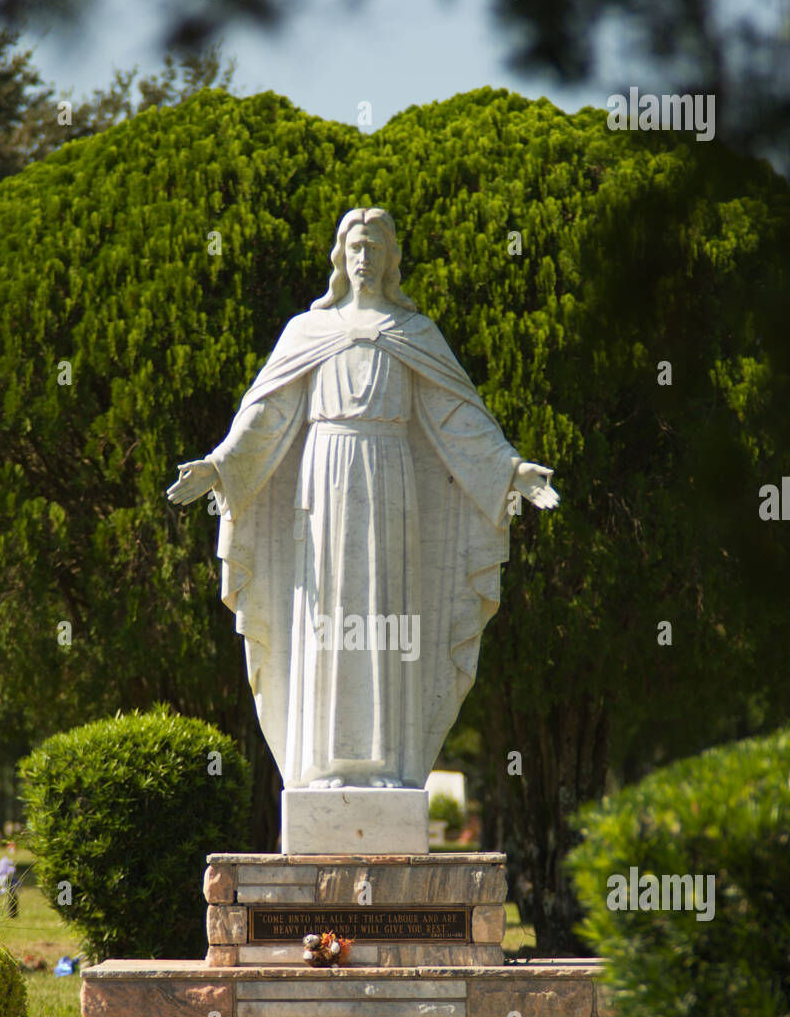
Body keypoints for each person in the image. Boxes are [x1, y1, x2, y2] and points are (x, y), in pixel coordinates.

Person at [167, 207, 558, 790]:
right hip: (324, 484)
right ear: (340, 258)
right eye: (355, 247)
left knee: (384, 614)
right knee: (325, 613)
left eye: (375, 248)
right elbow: (267, 416)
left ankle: (388, 765)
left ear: (392, 258)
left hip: (389, 482)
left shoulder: (414, 334)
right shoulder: (308, 332)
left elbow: (457, 417)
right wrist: (223, 465)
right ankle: (323, 765)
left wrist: (508, 469)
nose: (364, 258)